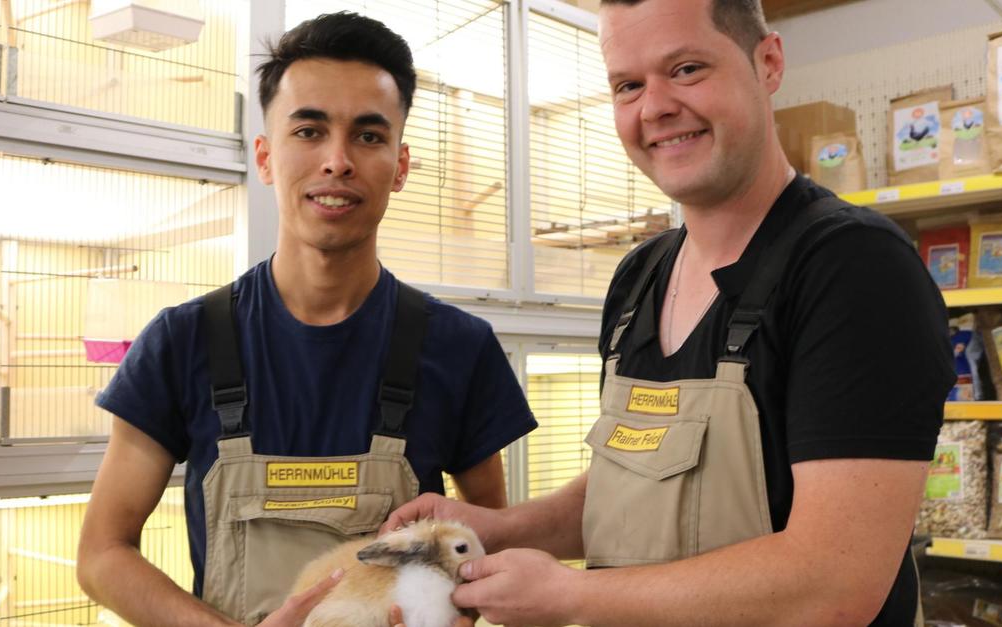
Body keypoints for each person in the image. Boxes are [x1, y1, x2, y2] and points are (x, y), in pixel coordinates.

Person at [383, 0, 954, 625]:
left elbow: (835, 582)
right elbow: (634, 494)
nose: (654, 107)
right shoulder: (639, 278)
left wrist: (572, 595)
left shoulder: (854, 268)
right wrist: (497, 528)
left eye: (685, 69)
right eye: (628, 85)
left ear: (767, 63)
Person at [76, 12, 535, 627]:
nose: (337, 161)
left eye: (368, 136)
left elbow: (487, 549)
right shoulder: (181, 341)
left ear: (400, 166)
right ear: (265, 157)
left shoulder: (460, 346)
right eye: (309, 131)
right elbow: (102, 554)